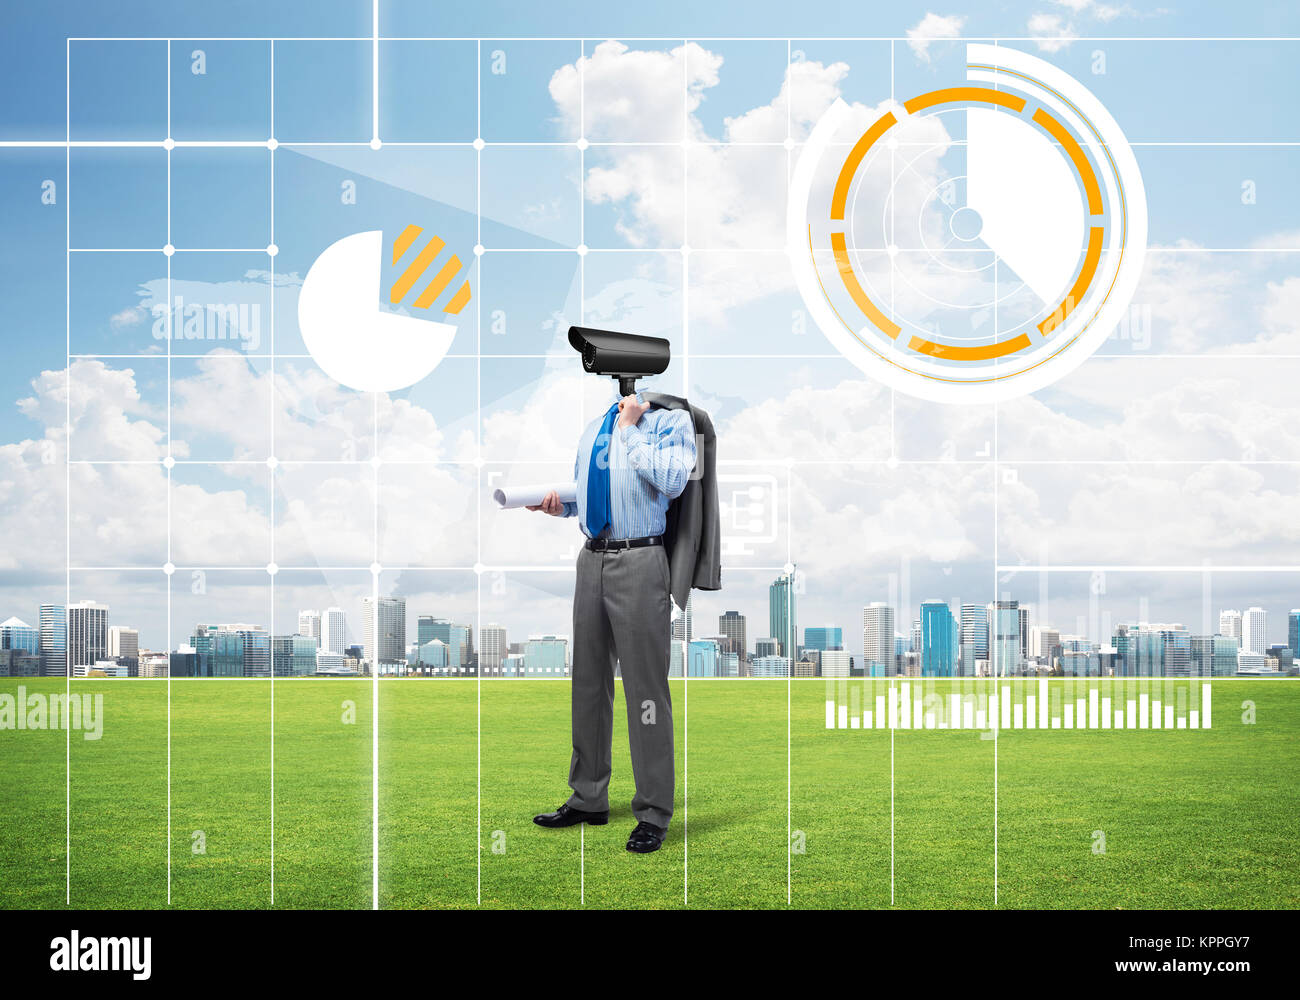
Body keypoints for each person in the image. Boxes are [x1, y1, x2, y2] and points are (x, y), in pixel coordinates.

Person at [528, 390, 697, 854]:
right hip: (591, 561)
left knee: (645, 691)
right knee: (587, 684)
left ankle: (653, 813)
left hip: (641, 558)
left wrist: (630, 429)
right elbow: (590, 495)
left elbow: (673, 479)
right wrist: (559, 505)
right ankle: (588, 798)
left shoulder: (669, 422)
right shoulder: (591, 430)